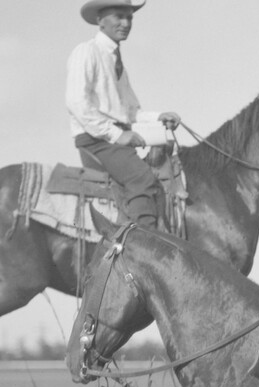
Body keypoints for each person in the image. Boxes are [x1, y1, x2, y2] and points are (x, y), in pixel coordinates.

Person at [66, 0, 181, 229]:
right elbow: (77, 102)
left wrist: (158, 118)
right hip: (96, 140)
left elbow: (129, 112)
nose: (126, 23)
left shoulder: (117, 62)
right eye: (119, 16)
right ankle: (143, 249)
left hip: (113, 139)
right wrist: (116, 135)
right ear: (100, 20)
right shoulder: (87, 52)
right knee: (141, 179)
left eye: (129, 17)